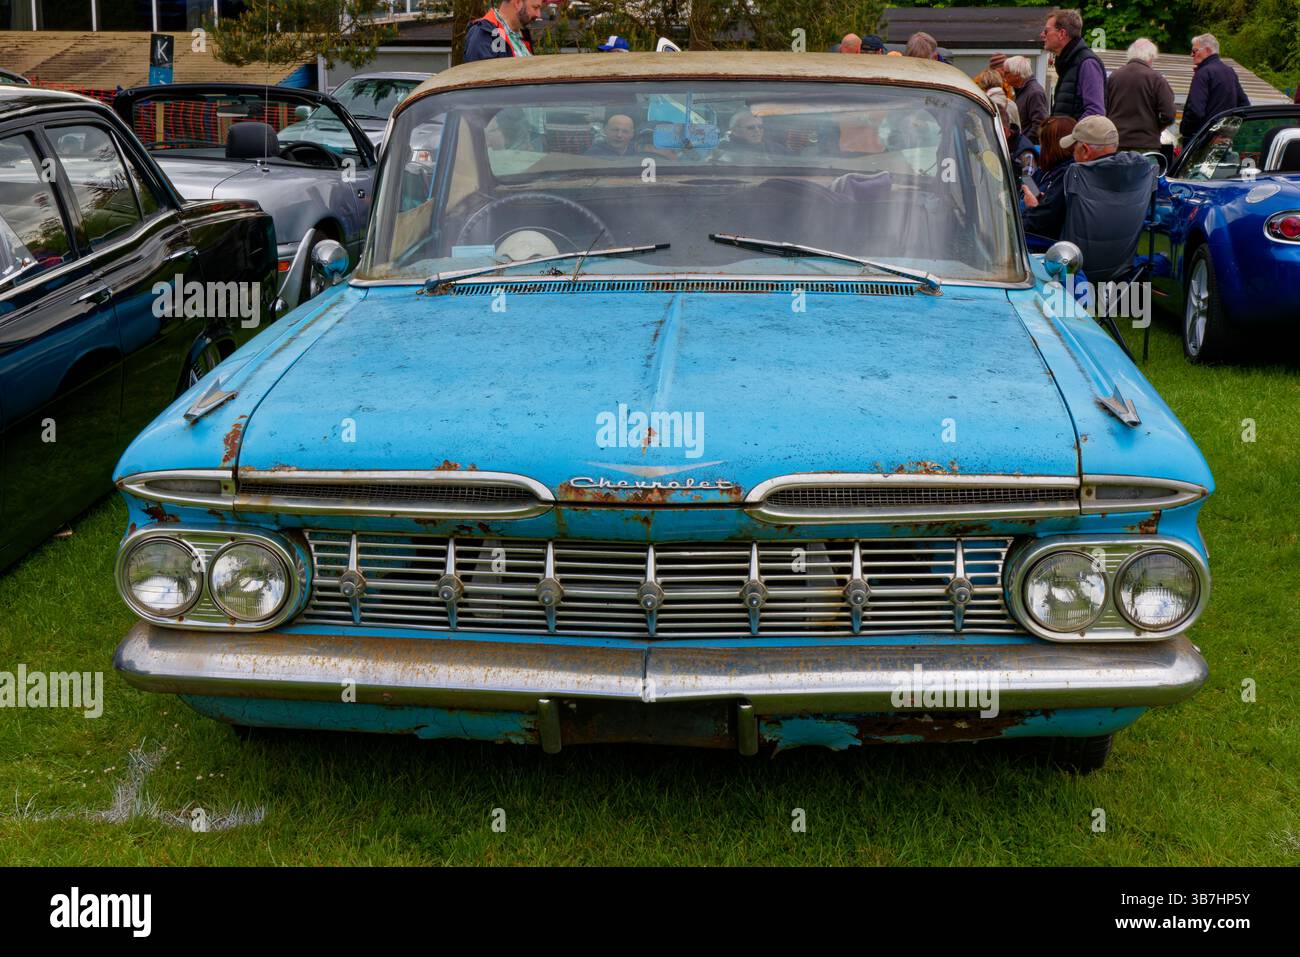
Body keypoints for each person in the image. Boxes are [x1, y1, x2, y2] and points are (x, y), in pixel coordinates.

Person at [1021, 115, 1149, 240]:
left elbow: (1037, 222)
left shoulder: (1074, 176)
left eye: (1074, 147)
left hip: (1070, 256)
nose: (1072, 152)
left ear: (1085, 150)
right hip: (1122, 257)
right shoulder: (1138, 172)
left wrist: (1034, 207)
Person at [1105, 38, 1175, 153]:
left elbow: (1104, 109)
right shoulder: (1156, 79)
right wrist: (1155, 128)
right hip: (1146, 145)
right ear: (1150, 56)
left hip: (1116, 143)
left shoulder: (1113, 77)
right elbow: (1169, 114)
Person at [1180, 34, 1251, 142]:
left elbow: (1195, 111)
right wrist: (1227, 130)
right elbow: (1244, 106)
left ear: (1207, 50)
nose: (1191, 55)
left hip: (1201, 141)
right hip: (1224, 141)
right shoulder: (1229, 72)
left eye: (1194, 51)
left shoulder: (1203, 73)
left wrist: (1186, 132)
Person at [1041, 9, 1105, 121]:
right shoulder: (1068, 63)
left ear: (1062, 34)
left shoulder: (1087, 63)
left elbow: (1095, 113)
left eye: (1046, 31)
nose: (1042, 35)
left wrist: (1070, 136)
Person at [464, 0, 542, 62]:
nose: (538, 14)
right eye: (535, 7)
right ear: (517, 2)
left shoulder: (521, 36)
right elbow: (481, 79)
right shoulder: (484, 34)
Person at [1002, 55, 1048, 144]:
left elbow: (1040, 123)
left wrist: (1023, 143)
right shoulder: (1022, 91)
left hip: (1028, 149)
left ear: (1017, 74)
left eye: (1007, 73)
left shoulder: (1034, 93)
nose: (1004, 76)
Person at [1031, 115, 1077, 194]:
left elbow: (1044, 203)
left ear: (1051, 145)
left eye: (1042, 142)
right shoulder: (1048, 167)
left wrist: (1035, 201)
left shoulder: (1066, 175)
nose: (1040, 147)